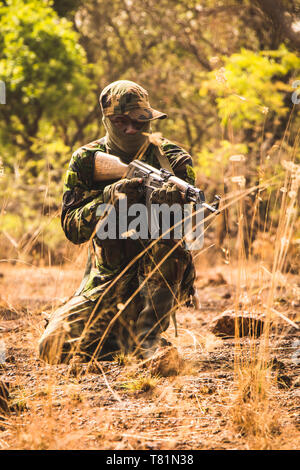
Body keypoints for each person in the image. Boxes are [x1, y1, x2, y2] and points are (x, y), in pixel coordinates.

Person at [38, 80, 196, 368]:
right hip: (106, 280)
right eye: (122, 122)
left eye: (140, 121)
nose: (132, 130)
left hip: (156, 277)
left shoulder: (173, 160)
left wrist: (163, 204)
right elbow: (72, 229)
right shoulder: (87, 161)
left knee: (167, 249)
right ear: (106, 120)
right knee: (50, 347)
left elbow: (184, 233)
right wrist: (107, 201)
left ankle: (147, 342)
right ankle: (123, 341)